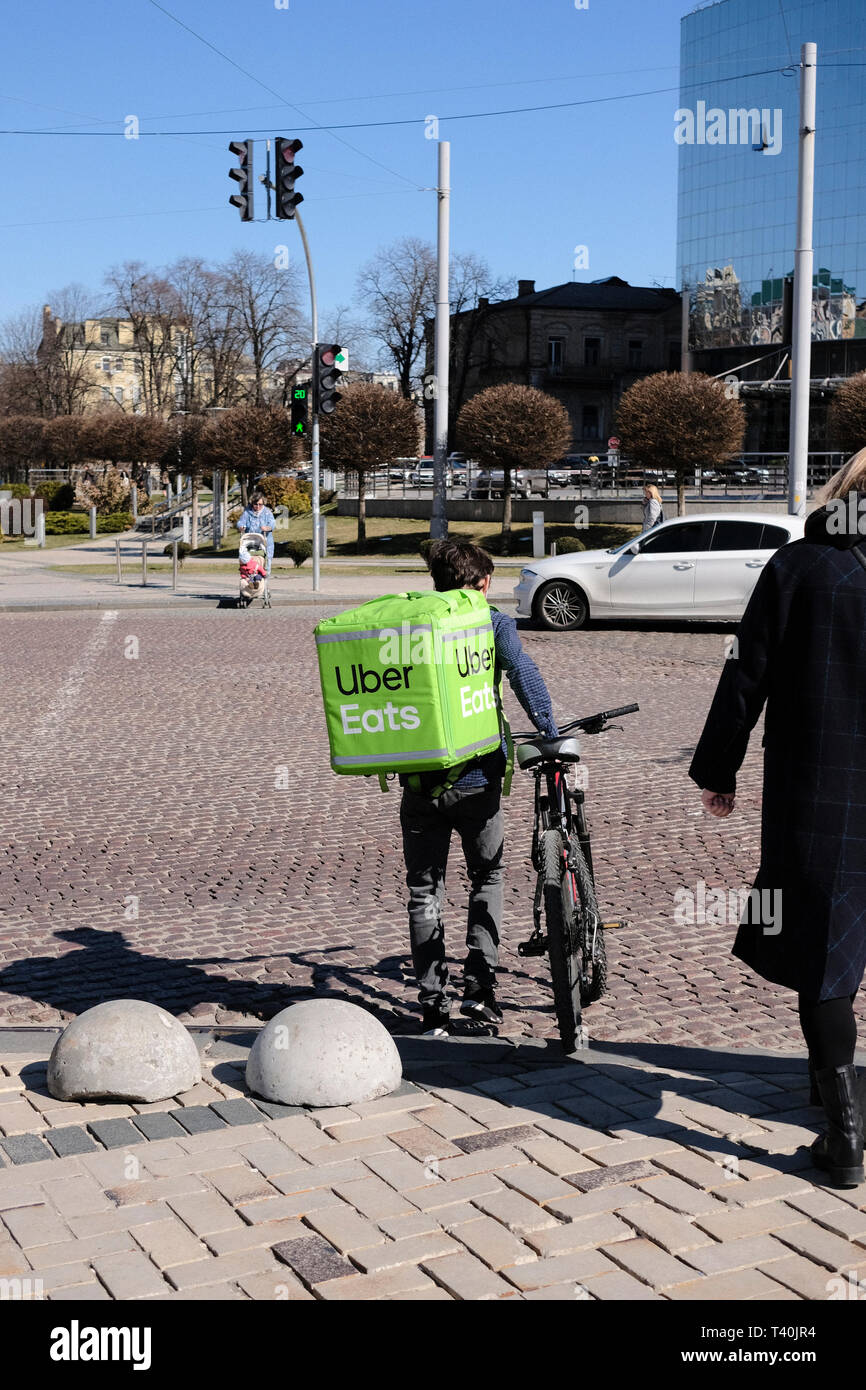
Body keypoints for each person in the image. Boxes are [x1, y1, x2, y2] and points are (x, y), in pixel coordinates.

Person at [689, 448, 866, 1188]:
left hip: (823, 790)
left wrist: (717, 768)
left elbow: (746, 670)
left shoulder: (799, 567)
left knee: (826, 957)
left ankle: (844, 1137)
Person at [400, 538, 559, 1037]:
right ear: (484, 583)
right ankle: (480, 990)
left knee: (424, 888)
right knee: (487, 877)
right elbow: (523, 673)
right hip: (478, 780)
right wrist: (549, 730)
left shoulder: (410, 628)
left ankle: (432, 1001)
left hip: (421, 781)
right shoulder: (491, 623)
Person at [237, 492, 276, 574]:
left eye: (260, 504)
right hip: (250, 542)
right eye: (255, 504)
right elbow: (241, 522)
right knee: (248, 562)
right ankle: (249, 581)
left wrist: (267, 528)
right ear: (252, 503)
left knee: (266, 565)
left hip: (265, 543)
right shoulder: (247, 512)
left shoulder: (267, 512)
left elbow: (272, 523)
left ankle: (264, 584)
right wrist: (241, 526)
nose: (258, 506)